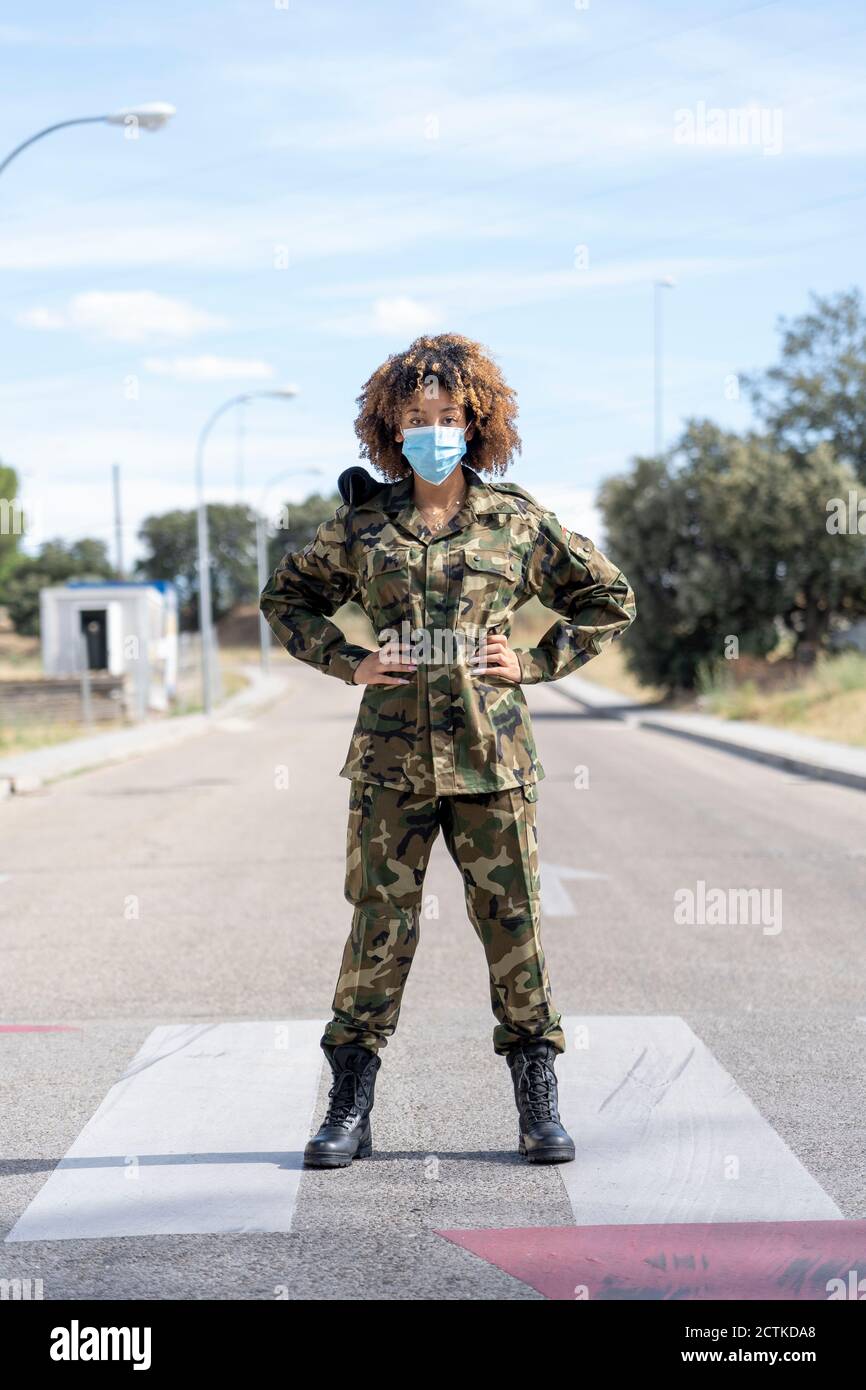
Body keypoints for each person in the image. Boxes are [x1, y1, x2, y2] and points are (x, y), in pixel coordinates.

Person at [260, 332, 636, 1170]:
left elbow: (609, 596)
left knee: (516, 930)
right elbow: (286, 599)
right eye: (416, 415)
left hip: (492, 761)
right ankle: (348, 1108)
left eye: (448, 414)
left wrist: (537, 661)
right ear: (390, 426)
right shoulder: (363, 524)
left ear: (476, 421)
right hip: (390, 767)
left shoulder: (516, 522)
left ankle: (538, 1105)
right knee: (377, 932)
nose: (433, 426)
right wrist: (349, 660)